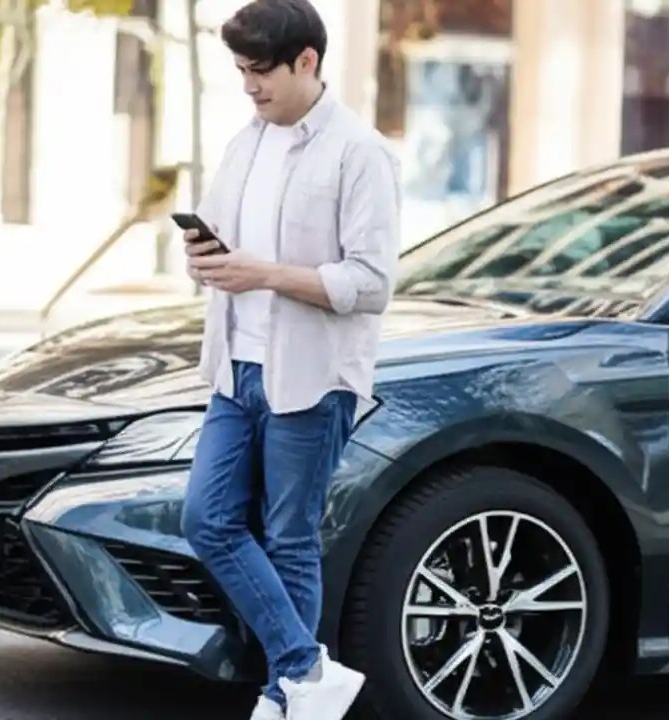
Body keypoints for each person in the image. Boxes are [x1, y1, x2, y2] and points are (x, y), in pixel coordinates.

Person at [177, 2, 401, 719]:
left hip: (311, 377)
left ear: (307, 61)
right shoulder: (246, 143)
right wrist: (203, 260)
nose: (248, 86)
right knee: (207, 520)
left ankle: (286, 699)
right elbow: (221, 260)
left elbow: (369, 284)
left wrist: (265, 273)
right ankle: (306, 671)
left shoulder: (358, 152)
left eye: (259, 71)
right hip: (235, 371)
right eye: (240, 71)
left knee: (291, 539)